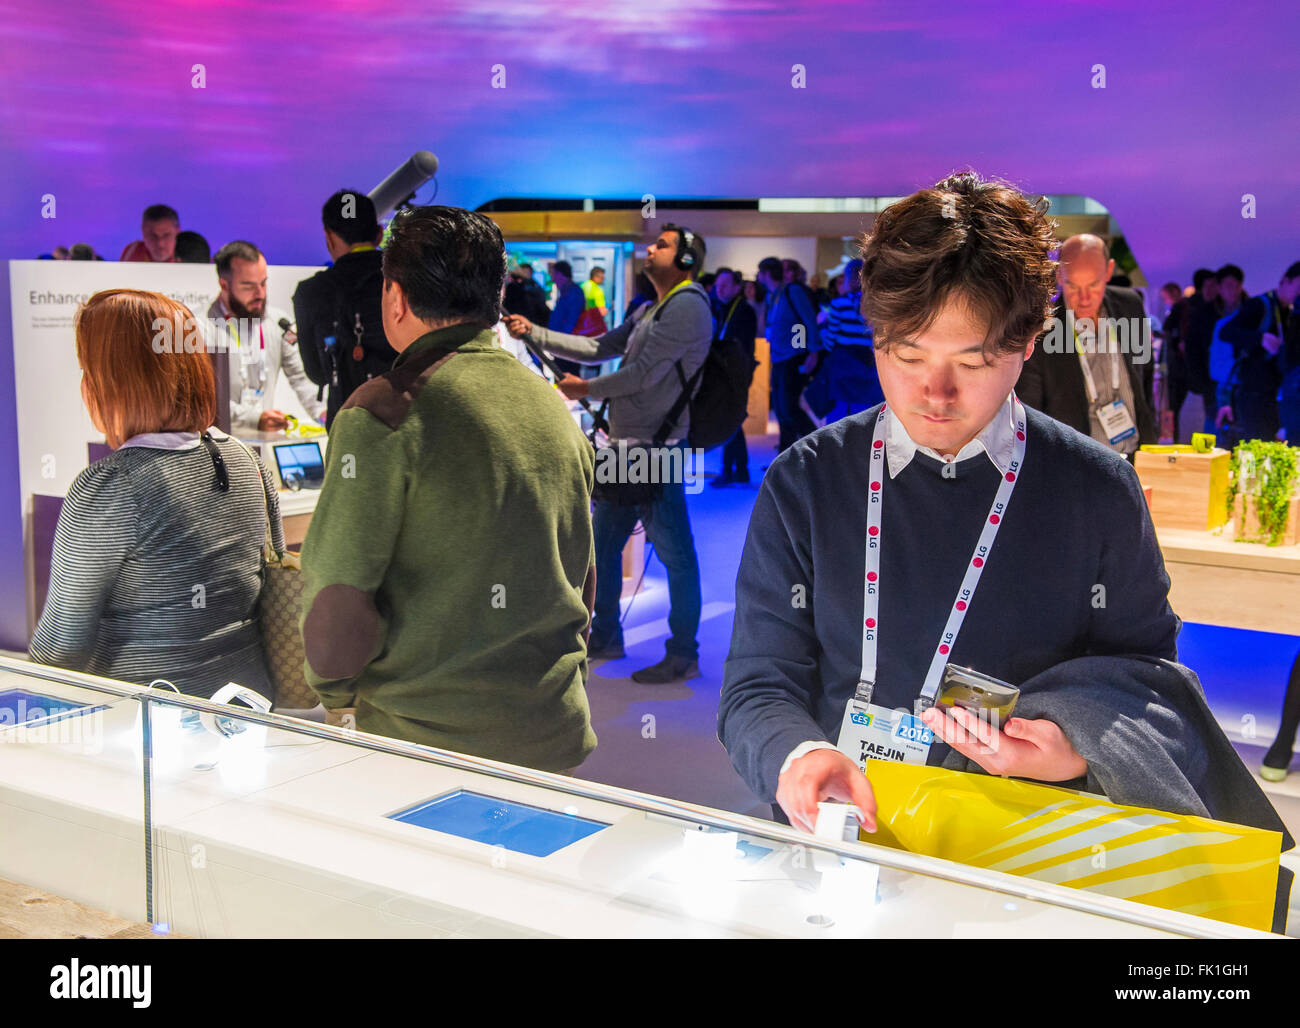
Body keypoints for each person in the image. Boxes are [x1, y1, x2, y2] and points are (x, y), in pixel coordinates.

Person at [719, 172, 1182, 833]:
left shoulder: (1097, 490)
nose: (934, 391)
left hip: (1017, 840)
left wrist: (1073, 745)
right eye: (906, 354)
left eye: (970, 362)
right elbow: (759, 680)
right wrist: (796, 754)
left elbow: (1148, 682)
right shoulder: (807, 482)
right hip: (839, 829)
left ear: (1027, 344)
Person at [300, 205, 597, 773]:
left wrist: (334, 694)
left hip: (425, 744)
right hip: (552, 729)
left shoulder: (381, 414)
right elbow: (583, 577)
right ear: (497, 295)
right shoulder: (552, 406)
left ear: (394, 297)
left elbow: (338, 593)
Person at [30, 289, 282, 699]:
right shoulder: (244, 460)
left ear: (109, 382)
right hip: (250, 708)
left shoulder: (111, 485)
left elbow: (62, 646)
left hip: (144, 723)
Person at [505, 224, 712, 684]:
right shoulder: (650, 308)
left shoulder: (688, 307)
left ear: (685, 259)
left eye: (663, 244)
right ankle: (606, 636)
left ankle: (683, 652)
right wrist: (534, 331)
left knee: (677, 556)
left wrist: (584, 388)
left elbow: (640, 375)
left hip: (657, 450)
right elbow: (601, 347)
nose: (651, 248)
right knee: (603, 549)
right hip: (625, 447)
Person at [1017, 234, 1157, 458]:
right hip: (1077, 463)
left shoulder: (1130, 305)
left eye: (1093, 285)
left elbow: (1145, 372)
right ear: (1059, 275)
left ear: (1108, 272)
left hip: (1135, 455)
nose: (1084, 298)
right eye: (1073, 286)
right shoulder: (1041, 327)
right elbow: (1029, 409)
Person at [292, 189, 395, 426]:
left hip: (347, 427)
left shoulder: (311, 292)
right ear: (379, 234)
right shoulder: (404, 282)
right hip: (405, 424)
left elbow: (317, 374)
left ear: (328, 238)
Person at [207, 240, 325, 431]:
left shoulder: (279, 323)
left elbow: (301, 378)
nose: (260, 294)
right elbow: (201, 399)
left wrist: (323, 413)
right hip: (216, 446)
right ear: (224, 285)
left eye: (263, 283)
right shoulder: (200, 327)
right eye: (248, 286)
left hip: (260, 446)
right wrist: (253, 419)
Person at [1215, 262, 1296, 444]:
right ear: (1285, 281)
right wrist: (1260, 338)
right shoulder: (1260, 305)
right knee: (1254, 447)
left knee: (1270, 446)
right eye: (1298, 287)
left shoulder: (1290, 313)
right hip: (1252, 393)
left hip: (1275, 393)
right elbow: (1226, 332)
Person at [758, 256, 822, 452]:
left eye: (760, 273)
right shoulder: (773, 295)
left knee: (789, 409)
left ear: (766, 273)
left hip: (793, 356)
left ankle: (821, 448)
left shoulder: (792, 291)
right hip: (778, 358)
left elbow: (809, 320)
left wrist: (813, 351)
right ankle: (784, 457)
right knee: (781, 411)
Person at [710, 267, 758, 487]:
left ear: (737, 287)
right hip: (726, 373)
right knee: (732, 421)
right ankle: (739, 469)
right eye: (718, 285)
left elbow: (741, 346)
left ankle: (731, 470)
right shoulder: (721, 308)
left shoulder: (743, 311)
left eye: (725, 285)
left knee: (730, 420)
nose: (720, 289)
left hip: (735, 373)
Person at [820, 257, 883, 422]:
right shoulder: (875, 305)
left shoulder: (838, 303)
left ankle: (834, 447)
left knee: (838, 411)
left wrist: (823, 338)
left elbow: (830, 339)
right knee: (862, 412)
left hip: (843, 362)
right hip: (867, 362)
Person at [1180, 268, 1221, 438]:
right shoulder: (1190, 307)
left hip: (1213, 374)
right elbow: (1188, 344)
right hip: (1192, 375)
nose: (1213, 289)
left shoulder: (1220, 310)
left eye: (1215, 285)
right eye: (1209, 285)